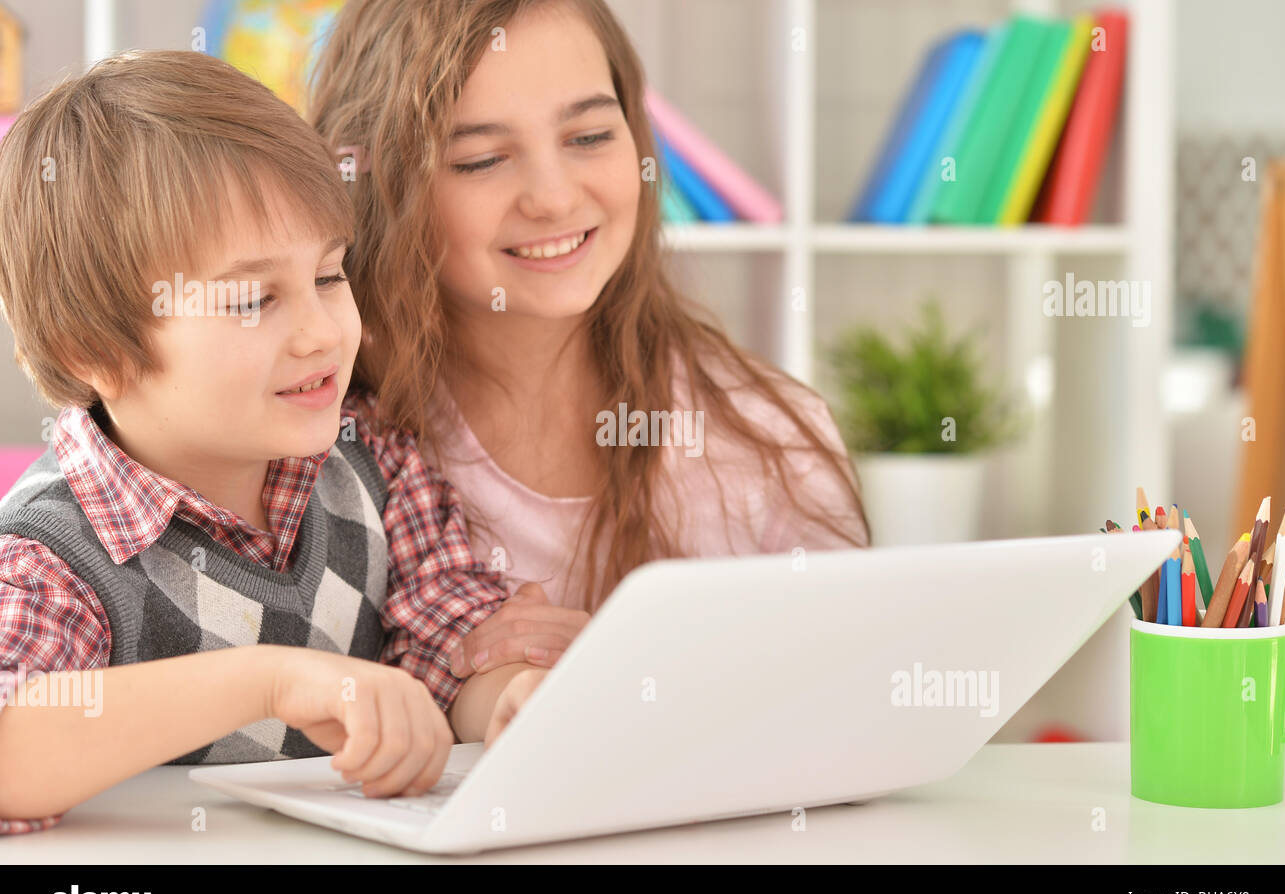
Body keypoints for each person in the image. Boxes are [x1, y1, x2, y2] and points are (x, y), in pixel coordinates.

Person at [0, 51, 584, 834]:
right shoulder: (50, 552)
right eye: (253, 298)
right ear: (94, 352)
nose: (321, 330)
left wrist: (509, 698)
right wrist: (271, 682)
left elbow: (451, 646)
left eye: (330, 276)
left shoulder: (372, 464)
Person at [311, 0, 871, 682]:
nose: (551, 197)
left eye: (588, 138)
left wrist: (625, 666)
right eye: (481, 159)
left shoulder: (767, 438)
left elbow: (850, 695)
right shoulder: (326, 445)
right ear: (375, 185)